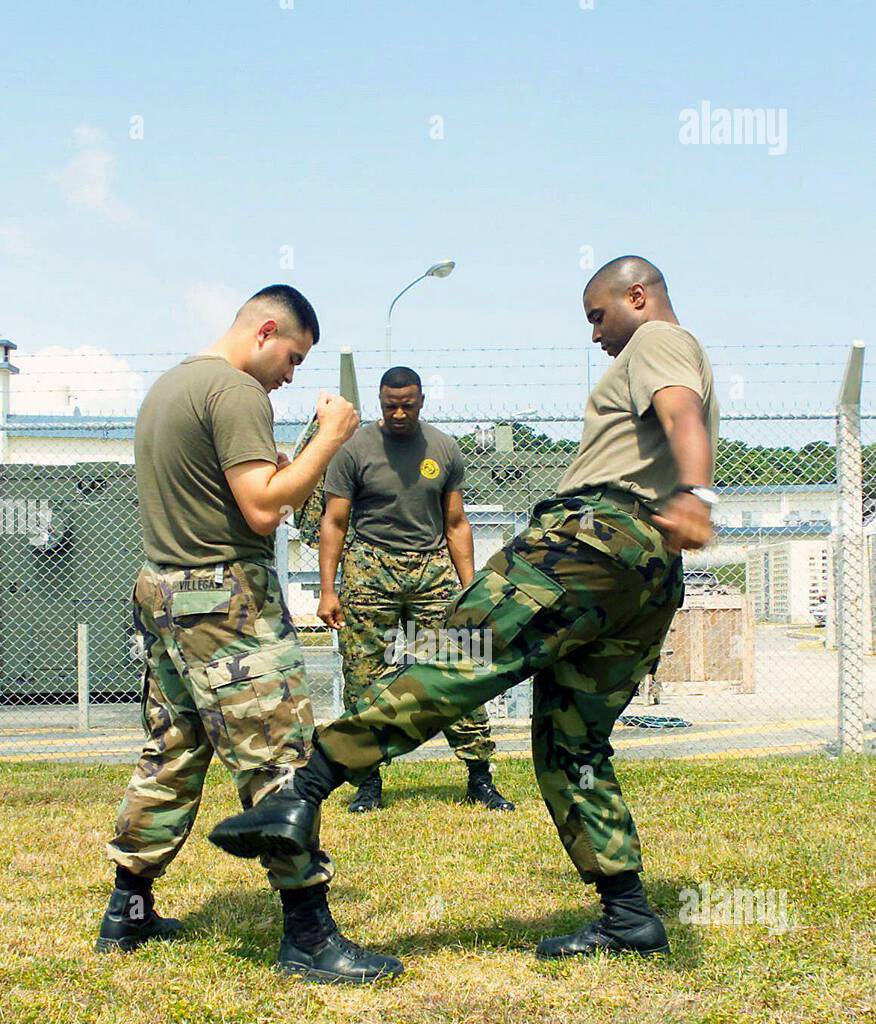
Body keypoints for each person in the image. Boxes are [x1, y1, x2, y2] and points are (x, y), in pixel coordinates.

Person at [209, 257, 718, 963]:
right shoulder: (669, 349)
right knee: (572, 744)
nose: (597, 334)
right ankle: (627, 914)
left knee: (454, 661)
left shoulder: (656, 341)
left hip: (589, 543)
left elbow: (680, 410)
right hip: (650, 571)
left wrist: (697, 490)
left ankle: (305, 789)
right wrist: (685, 499)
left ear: (638, 296)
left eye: (599, 316)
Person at [99, 284, 403, 984]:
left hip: (167, 593)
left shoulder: (169, 388)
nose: (290, 376)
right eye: (292, 358)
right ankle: (308, 936)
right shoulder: (235, 392)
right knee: (280, 757)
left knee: (172, 751)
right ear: (265, 330)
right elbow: (263, 507)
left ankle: (128, 909)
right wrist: (330, 436)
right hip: (223, 599)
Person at [318, 365, 514, 813]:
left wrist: (471, 591)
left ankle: (479, 777)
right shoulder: (355, 449)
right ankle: (367, 781)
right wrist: (328, 591)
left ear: (422, 400)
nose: (399, 413)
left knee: (456, 669)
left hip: (431, 575)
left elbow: (456, 522)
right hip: (371, 574)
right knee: (364, 679)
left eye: (407, 405)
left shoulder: (443, 448)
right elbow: (334, 521)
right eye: (390, 406)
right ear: (380, 402)